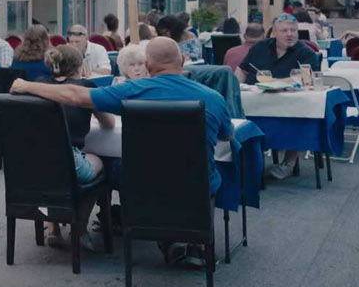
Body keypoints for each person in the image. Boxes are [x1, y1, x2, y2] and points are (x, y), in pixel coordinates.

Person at [12, 36, 234, 210]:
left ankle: (118, 218)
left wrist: (27, 86)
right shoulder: (213, 98)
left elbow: (75, 95)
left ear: (148, 65)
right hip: (197, 183)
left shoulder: (132, 92)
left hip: (145, 182)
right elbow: (227, 136)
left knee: (111, 166)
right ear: (183, 61)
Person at [37, 44, 104, 251]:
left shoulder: (38, 85)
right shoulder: (86, 86)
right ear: (80, 65)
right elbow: (108, 123)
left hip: (33, 164)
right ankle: (80, 226)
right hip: (69, 162)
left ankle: (53, 228)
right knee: (100, 166)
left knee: (57, 167)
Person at [236, 15, 319, 84]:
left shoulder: (306, 53)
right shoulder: (259, 47)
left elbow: (307, 79)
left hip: (290, 100)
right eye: (284, 31)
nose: (289, 34)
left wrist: (274, 83)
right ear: (274, 32)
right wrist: (236, 87)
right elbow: (242, 70)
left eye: (293, 30)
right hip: (254, 97)